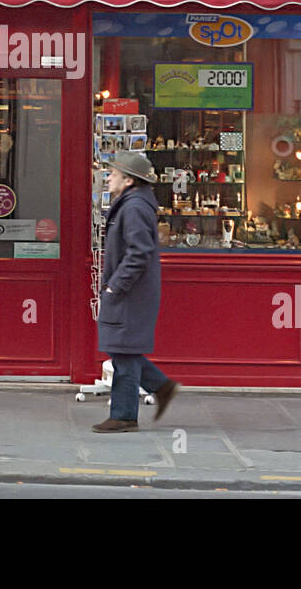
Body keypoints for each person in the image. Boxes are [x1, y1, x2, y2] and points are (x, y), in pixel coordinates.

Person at [93, 150, 178, 432]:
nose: (108, 178)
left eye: (113, 174)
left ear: (129, 181)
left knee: (124, 351)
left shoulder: (133, 208)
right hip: (130, 292)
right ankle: (160, 387)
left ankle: (124, 415)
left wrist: (116, 286)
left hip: (130, 293)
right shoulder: (133, 203)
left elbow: (139, 253)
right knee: (123, 350)